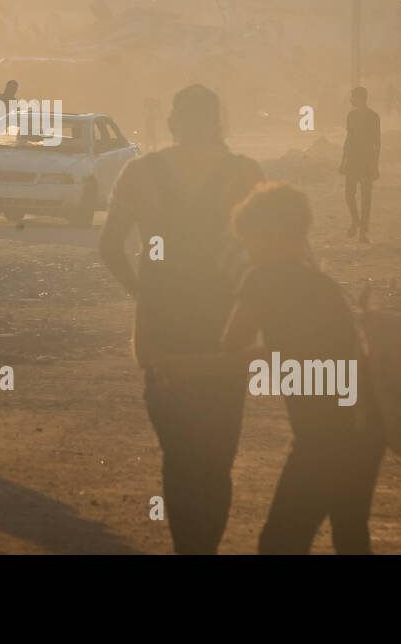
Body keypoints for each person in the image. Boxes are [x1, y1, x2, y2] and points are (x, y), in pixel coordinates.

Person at [99, 84, 264, 554]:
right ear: (219, 123)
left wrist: (143, 292)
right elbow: (269, 256)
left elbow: (109, 247)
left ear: (172, 123)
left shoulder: (139, 173)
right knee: (217, 460)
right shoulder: (246, 174)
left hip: (161, 335)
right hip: (227, 334)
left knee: (179, 458)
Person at [221, 183, 383, 554]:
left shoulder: (263, 277)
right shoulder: (321, 281)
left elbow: (232, 344)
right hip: (366, 426)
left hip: (325, 437)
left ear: (265, 235)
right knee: (351, 535)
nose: (246, 251)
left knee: (280, 542)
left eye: (247, 241)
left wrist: (181, 366)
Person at [339, 86, 380, 243]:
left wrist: (375, 165)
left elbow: (378, 143)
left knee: (365, 197)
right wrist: (343, 160)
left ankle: (363, 231)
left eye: (353, 97)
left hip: (367, 161)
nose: (351, 100)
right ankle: (356, 221)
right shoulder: (351, 116)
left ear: (361, 98)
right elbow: (348, 139)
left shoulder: (373, 117)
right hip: (353, 160)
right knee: (349, 195)